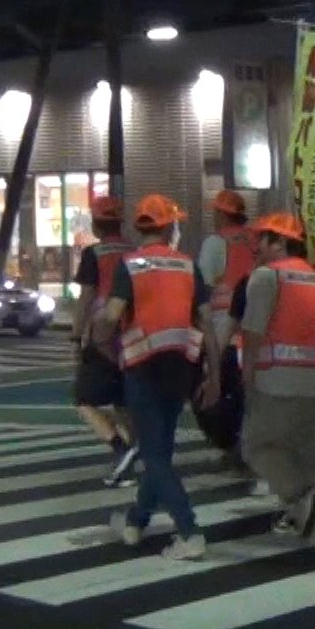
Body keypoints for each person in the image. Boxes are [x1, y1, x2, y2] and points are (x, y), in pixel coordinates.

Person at [95, 195, 221, 562]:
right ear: (168, 227)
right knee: (160, 449)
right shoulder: (187, 265)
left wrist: (99, 340)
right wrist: (213, 377)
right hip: (180, 367)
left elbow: (112, 314)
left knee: (154, 454)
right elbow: (207, 324)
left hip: (143, 367)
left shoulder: (130, 266)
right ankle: (136, 521)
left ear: (141, 227)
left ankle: (190, 531)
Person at [241, 212, 315, 538]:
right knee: (303, 453)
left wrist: (247, 376)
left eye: (263, 238)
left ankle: (299, 497)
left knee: (257, 447)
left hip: (277, 381)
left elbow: (252, 333)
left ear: (278, 242)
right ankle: (297, 515)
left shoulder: (267, 277)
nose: (257, 245)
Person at [71, 196, 138, 487]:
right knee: (124, 400)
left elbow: (86, 297)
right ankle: (131, 458)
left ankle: (122, 449)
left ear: (97, 224)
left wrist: (76, 335)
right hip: (133, 335)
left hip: (103, 336)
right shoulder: (136, 251)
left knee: (84, 399)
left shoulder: (94, 253)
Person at [197, 189, 256, 476]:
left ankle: (231, 449)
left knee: (208, 393)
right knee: (245, 398)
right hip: (257, 334)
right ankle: (244, 449)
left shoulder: (216, 243)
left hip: (225, 334)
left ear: (222, 214)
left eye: (215, 212)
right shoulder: (258, 240)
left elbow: (202, 288)